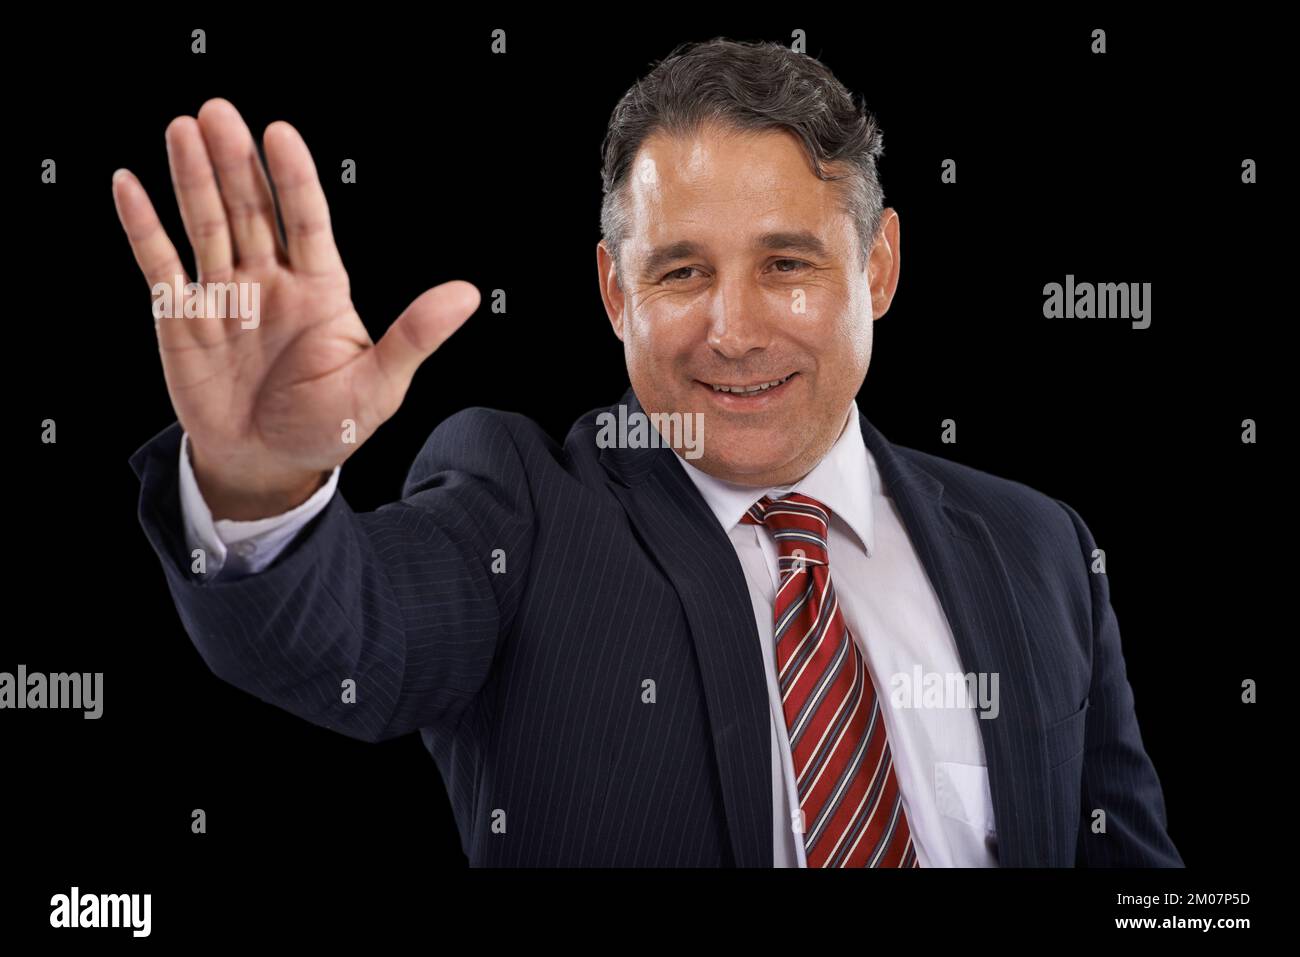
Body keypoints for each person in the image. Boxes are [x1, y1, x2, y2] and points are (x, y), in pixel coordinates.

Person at [117, 38, 1181, 867]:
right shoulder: (518, 504)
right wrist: (262, 479)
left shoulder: (1037, 543)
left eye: (786, 264)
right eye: (678, 273)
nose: (733, 328)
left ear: (881, 266)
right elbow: (349, 645)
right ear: (614, 293)